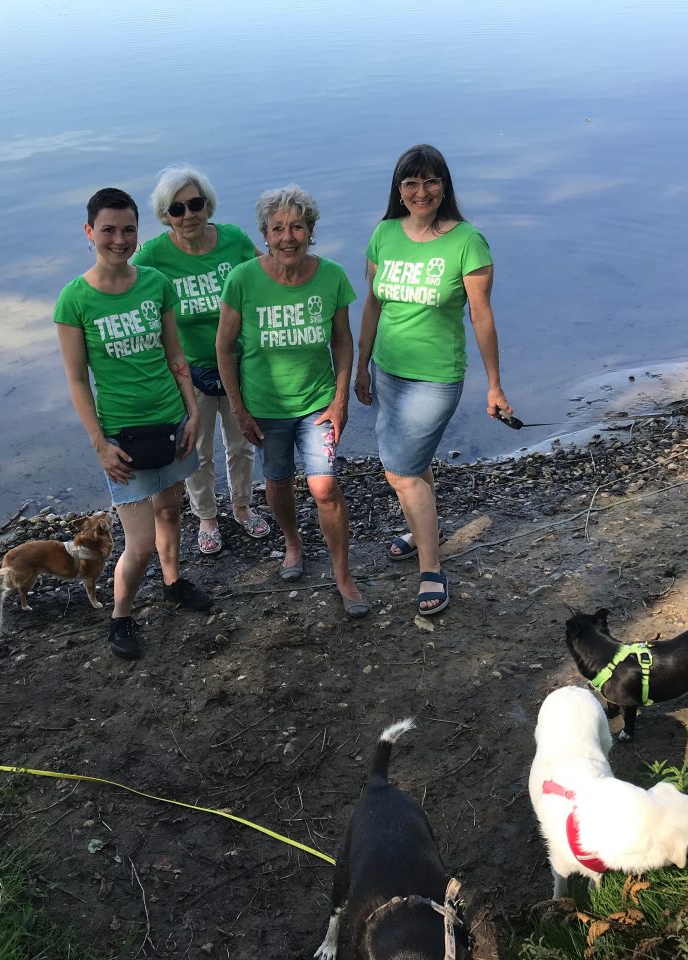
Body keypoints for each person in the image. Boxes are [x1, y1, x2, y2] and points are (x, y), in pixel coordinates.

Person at [54, 187, 214, 660]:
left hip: (171, 423)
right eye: (108, 230)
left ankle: (173, 582)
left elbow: (175, 354)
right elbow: (77, 382)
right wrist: (99, 444)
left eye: (128, 230)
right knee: (139, 543)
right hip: (123, 438)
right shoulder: (75, 300)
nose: (119, 240)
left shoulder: (155, 283)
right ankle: (120, 615)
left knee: (171, 511)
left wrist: (192, 412)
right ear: (89, 232)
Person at [354, 144, 513, 616]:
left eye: (430, 181)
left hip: (436, 377)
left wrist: (495, 384)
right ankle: (423, 529)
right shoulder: (384, 234)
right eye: (410, 183)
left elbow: (482, 318)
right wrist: (362, 364)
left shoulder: (468, 242)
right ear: (398, 190)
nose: (421, 192)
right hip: (387, 370)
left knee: (399, 471)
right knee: (414, 465)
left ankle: (431, 568)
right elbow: (372, 305)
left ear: (444, 185)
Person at [216, 185, 369, 619]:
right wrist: (239, 408)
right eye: (278, 228)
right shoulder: (242, 279)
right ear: (264, 233)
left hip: (317, 402)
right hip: (264, 407)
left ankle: (343, 574)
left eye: (297, 227)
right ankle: (292, 543)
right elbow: (224, 348)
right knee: (278, 480)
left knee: (323, 486)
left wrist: (340, 401)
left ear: (311, 231)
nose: (288, 237)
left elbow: (343, 342)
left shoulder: (332, 276)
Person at [132, 167, 270, 555]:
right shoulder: (155, 254)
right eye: (177, 209)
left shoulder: (234, 240)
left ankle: (242, 506)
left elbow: (268, 274)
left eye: (195, 204)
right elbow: (127, 284)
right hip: (189, 372)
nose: (188, 215)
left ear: (208, 204)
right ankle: (206, 515)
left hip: (239, 366)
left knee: (242, 444)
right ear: (165, 215)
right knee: (197, 450)